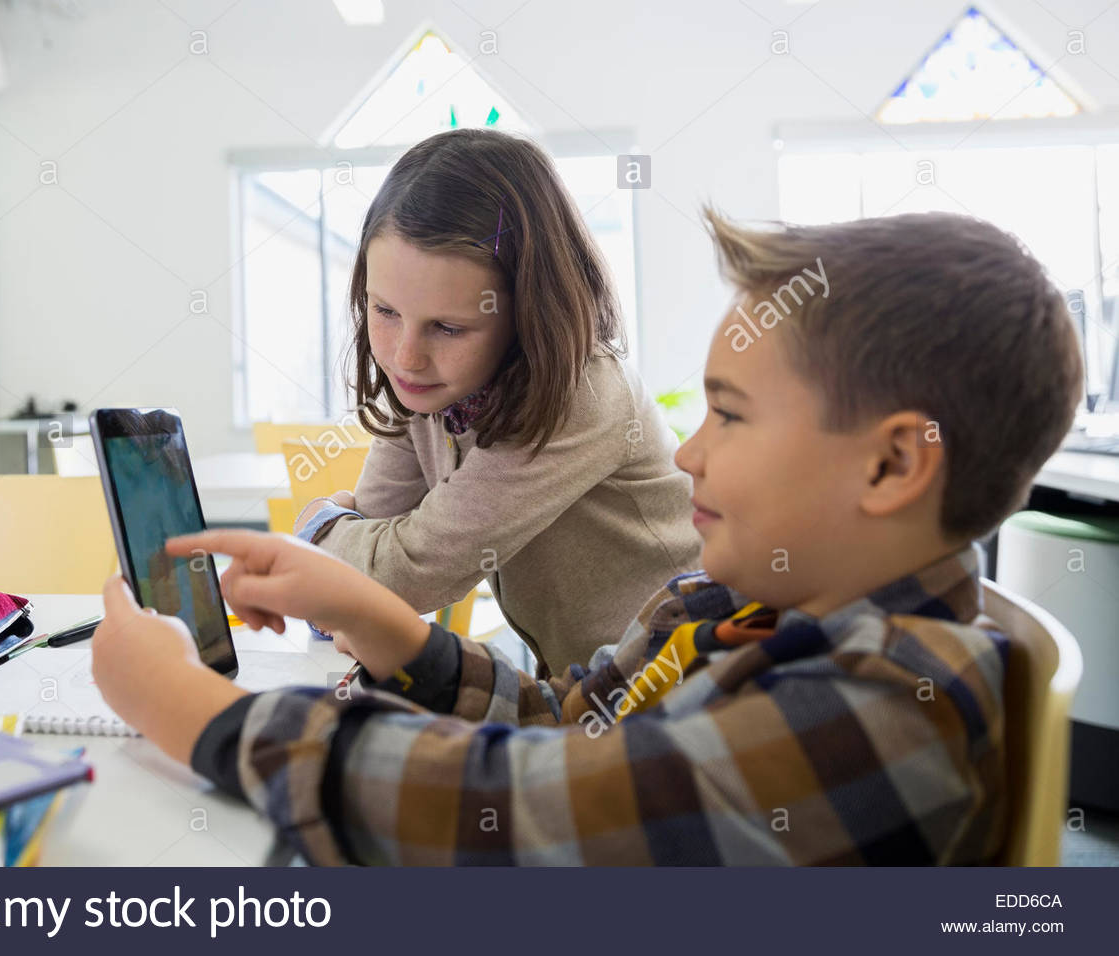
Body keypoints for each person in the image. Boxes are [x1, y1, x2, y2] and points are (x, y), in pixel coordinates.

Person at [91, 208, 1082, 865]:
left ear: (891, 464)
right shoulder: (728, 604)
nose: (687, 453)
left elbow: (529, 811)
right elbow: (566, 721)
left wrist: (198, 710)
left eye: (729, 417)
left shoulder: (888, 702)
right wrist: (364, 609)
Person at [292, 127, 701, 677]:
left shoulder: (581, 393)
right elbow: (364, 580)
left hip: (679, 681)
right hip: (581, 687)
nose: (405, 357)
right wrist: (350, 564)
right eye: (384, 311)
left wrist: (318, 528)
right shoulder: (428, 389)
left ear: (529, 312)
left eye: (448, 327)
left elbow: (402, 574)